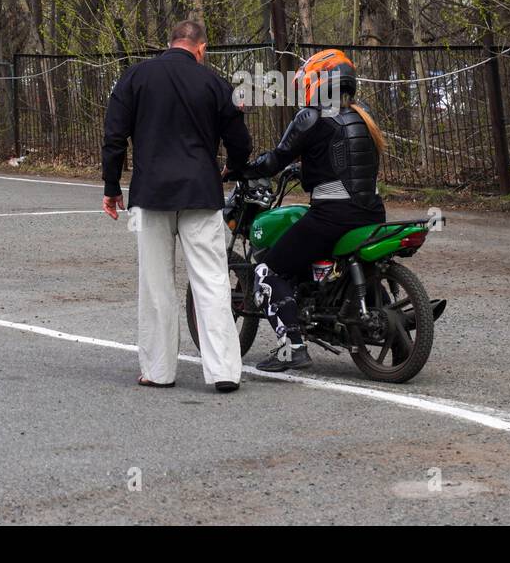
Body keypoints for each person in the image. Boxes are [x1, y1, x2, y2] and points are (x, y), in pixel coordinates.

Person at [102, 20, 252, 393]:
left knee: (155, 285)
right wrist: (232, 168)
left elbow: (114, 134)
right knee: (212, 282)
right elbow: (240, 140)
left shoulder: (135, 77)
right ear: (200, 48)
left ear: (171, 42)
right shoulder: (216, 84)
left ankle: (159, 370)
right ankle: (224, 372)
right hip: (201, 192)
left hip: (151, 194)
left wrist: (111, 186)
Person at [237, 48, 387, 372]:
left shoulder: (311, 115)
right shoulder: (365, 114)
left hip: (333, 217)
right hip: (373, 212)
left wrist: (243, 170)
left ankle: (291, 345)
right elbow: (338, 161)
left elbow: (276, 159)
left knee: (267, 270)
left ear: (317, 80)